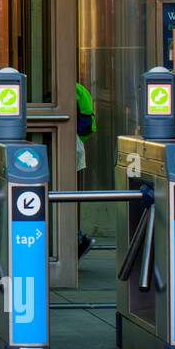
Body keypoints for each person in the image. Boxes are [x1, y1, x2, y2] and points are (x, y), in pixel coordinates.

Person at [76, 82, 96, 257]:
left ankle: (78, 239)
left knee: (59, 198)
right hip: (75, 149)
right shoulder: (79, 89)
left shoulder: (67, 91)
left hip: (65, 151)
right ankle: (78, 239)